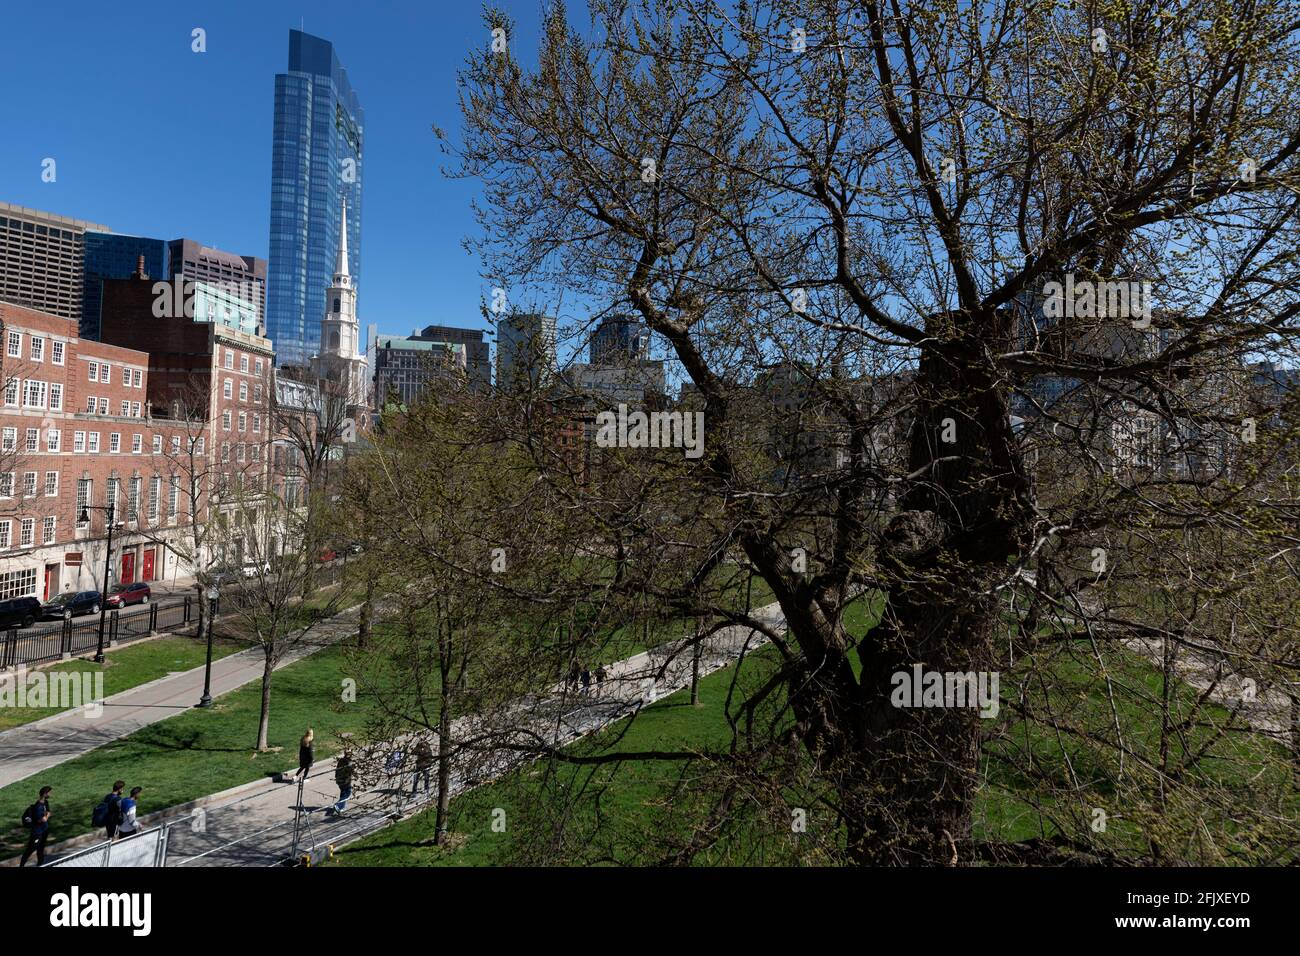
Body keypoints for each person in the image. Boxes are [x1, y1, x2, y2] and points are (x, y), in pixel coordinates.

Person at [20, 785, 52, 867]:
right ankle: (22, 865)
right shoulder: (37, 807)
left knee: (41, 849)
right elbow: (40, 820)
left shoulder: (46, 802)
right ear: (44, 794)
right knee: (30, 849)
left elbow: (48, 812)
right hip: (37, 833)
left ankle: (40, 864)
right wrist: (45, 817)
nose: (50, 794)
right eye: (49, 793)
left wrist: (46, 816)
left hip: (45, 830)